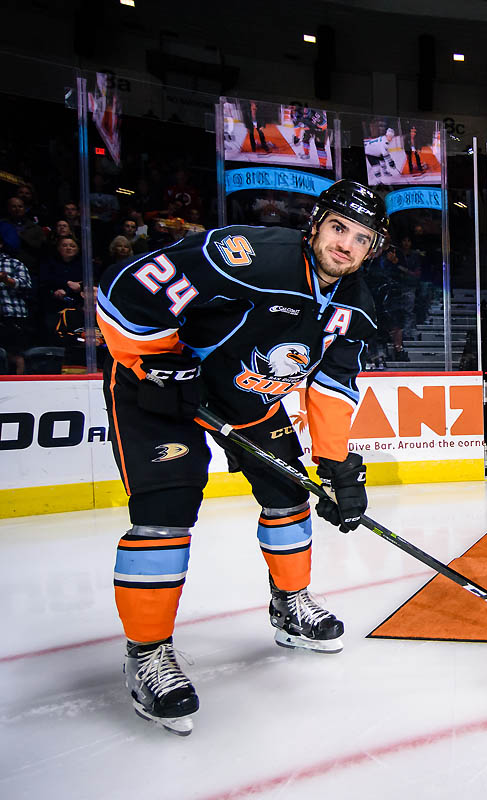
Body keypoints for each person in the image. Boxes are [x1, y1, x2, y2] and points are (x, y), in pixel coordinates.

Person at [95, 180, 387, 735]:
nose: (346, 245)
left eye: (361, 238)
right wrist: (151, 359)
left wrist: (339, 468)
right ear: (317, 225)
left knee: (289, 493)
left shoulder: (356, 305)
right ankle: (147, 653)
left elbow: (328, 386)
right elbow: (128, 287)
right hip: (160, 388)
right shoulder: (251, 255)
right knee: (166, 511)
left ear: (372, 250)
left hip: (246, 394)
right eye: (338, 228)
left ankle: (290, 605)